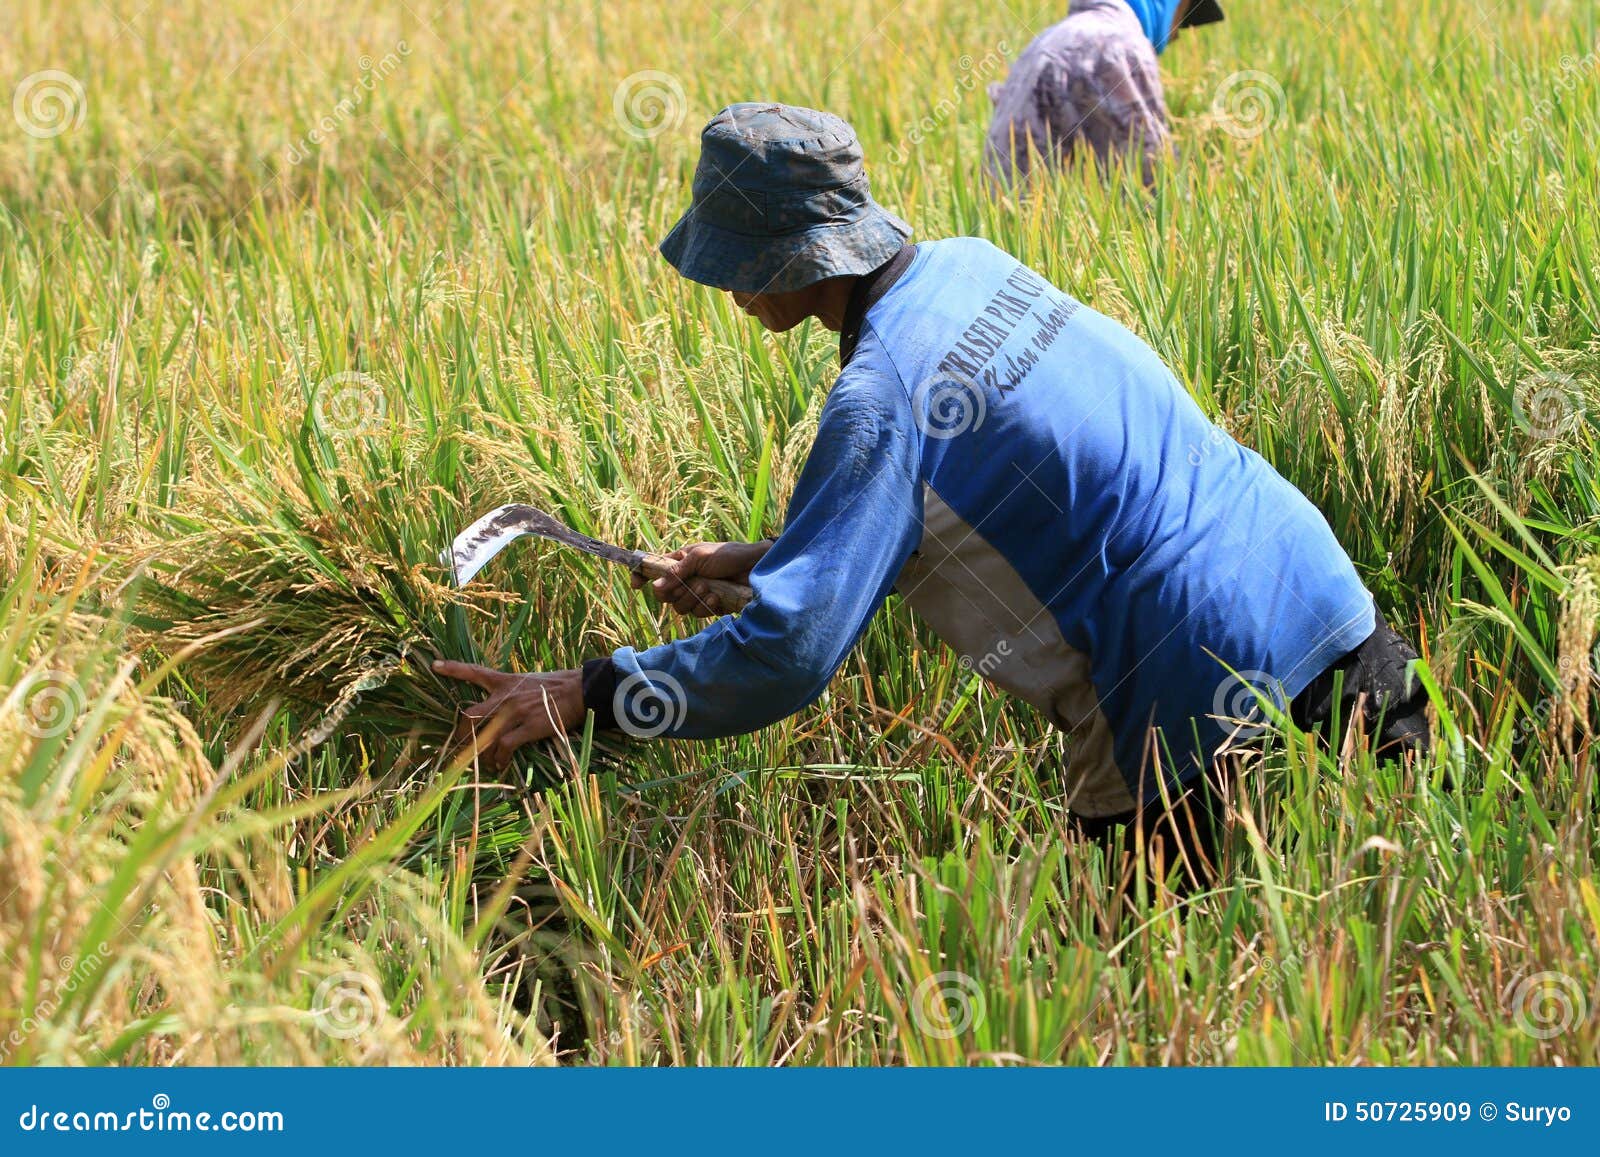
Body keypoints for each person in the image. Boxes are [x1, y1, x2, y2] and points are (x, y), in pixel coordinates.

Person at [435, 103, 1428, 887]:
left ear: (788, 256)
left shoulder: (878, 395)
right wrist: (755, 564)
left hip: (1171, 672)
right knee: (1409, 909)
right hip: (1311, 587)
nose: (728, 292)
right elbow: (993, 495)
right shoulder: (971, 266)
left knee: (1165, 989)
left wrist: (590, 691)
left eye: (734, 264)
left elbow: (791, 653)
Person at [985, 0, 1225, 186]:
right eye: (1184, 11)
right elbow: (1154, 178)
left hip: (1004, 236)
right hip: (1054, 242)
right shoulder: (1120, 47)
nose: (1177, 34)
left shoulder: (1042, 43)